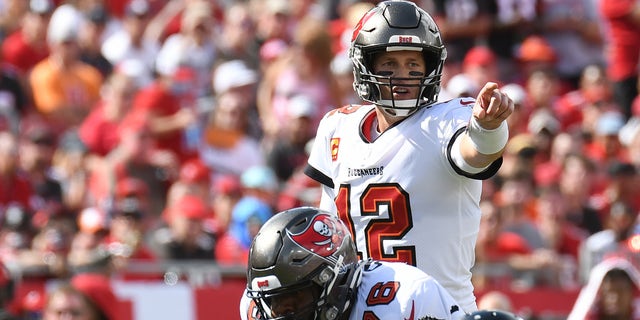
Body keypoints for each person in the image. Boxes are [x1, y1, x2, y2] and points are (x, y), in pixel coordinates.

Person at [303, 1, 514, 312]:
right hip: (360, 313)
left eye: (414, 66)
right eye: (390, 65)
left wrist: (487, 125)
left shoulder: (446, 120)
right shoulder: (337, 128)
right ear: (366, 66)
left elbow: (476, 152)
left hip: (442, 312)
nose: (402, 76)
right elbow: (329, 235)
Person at [239, 206, 466, 320]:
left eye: (292, 298)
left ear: (334, 279)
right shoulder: (255, 309)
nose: (278, 311)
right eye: (272, 300)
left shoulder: (406, 297)